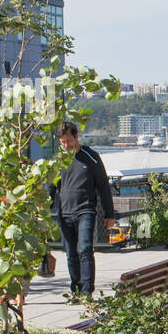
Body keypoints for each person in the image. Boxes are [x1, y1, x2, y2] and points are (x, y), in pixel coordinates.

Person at [50, 122, 116, 298]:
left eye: (69, 141)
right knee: (71, 254)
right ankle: (76, 290)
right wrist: (44, 211)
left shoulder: (91, 157)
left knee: (85, 249)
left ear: (76, 136)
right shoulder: (58, 161)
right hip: (64, 213)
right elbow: (51, 187)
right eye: (63, 142)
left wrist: (110, 214)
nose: (66, 146)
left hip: (86, 210)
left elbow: (103, 186)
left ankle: (87, 290)